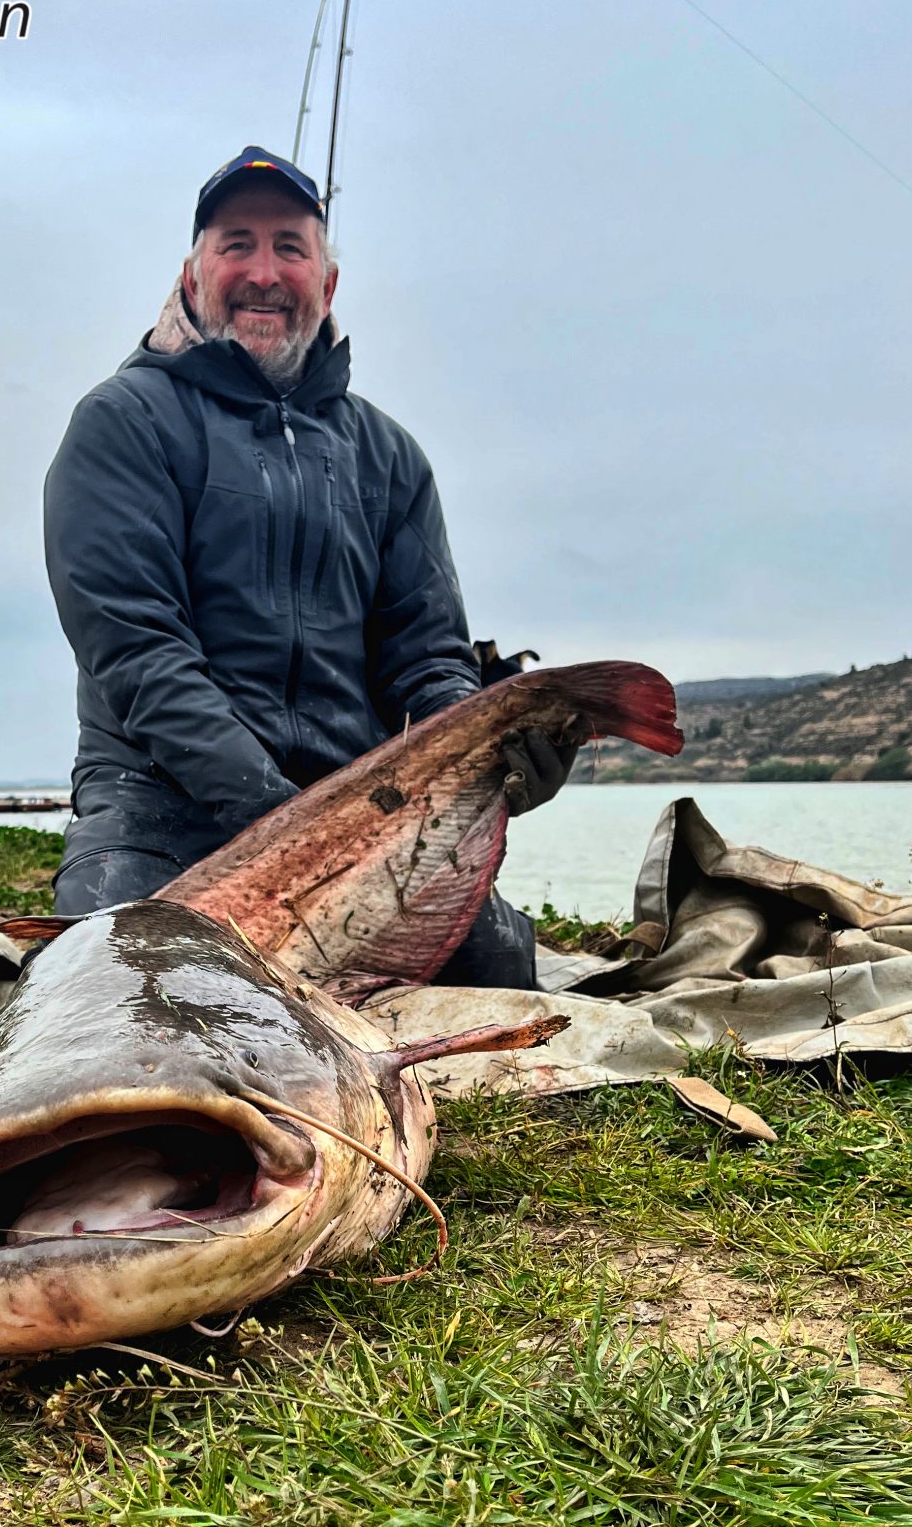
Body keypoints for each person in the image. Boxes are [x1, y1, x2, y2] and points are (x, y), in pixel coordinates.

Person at [43, 146, 574, 986]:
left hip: (358, 822)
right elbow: (139, 655)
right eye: (236, 244)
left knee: (500, 968)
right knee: (118, 987)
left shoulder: (392, 458)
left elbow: (427, 659)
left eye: (290, 246)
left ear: (326, 284)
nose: (264, 271)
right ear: (192, 274)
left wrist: (492, 758)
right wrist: (278, 817)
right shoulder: (122, 424)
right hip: (158, 812)